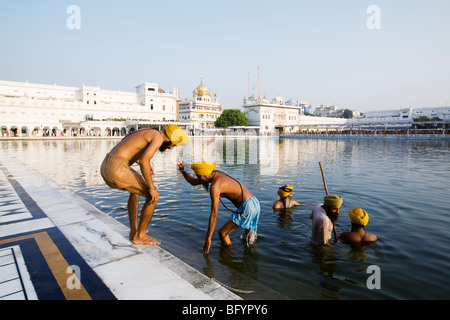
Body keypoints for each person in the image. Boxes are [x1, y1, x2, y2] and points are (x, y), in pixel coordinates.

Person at [100, 124, 189, 245]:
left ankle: (134, 231)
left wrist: (146, 165)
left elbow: (130, 148)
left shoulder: (146, 131)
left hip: (106, 166)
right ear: (169, 138)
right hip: (117, 168)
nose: (172, 148)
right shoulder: (158, 137)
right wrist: (152, 188)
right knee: (152, 196)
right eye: (173, 144)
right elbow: (144, 161)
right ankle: (140, 236)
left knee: (135, 192)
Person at [178, 160, 260, 254]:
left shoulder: (215, 186)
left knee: (222, 233)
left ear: (204, 174)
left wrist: (208, 239)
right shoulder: (217, 174)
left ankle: (229, 257)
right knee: (248, 238)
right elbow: (193, 182)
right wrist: (182, 171)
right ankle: (255, 256)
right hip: (254, 202)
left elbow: (214, 214)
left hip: (247, 207)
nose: (198, 179)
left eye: (198, 176)